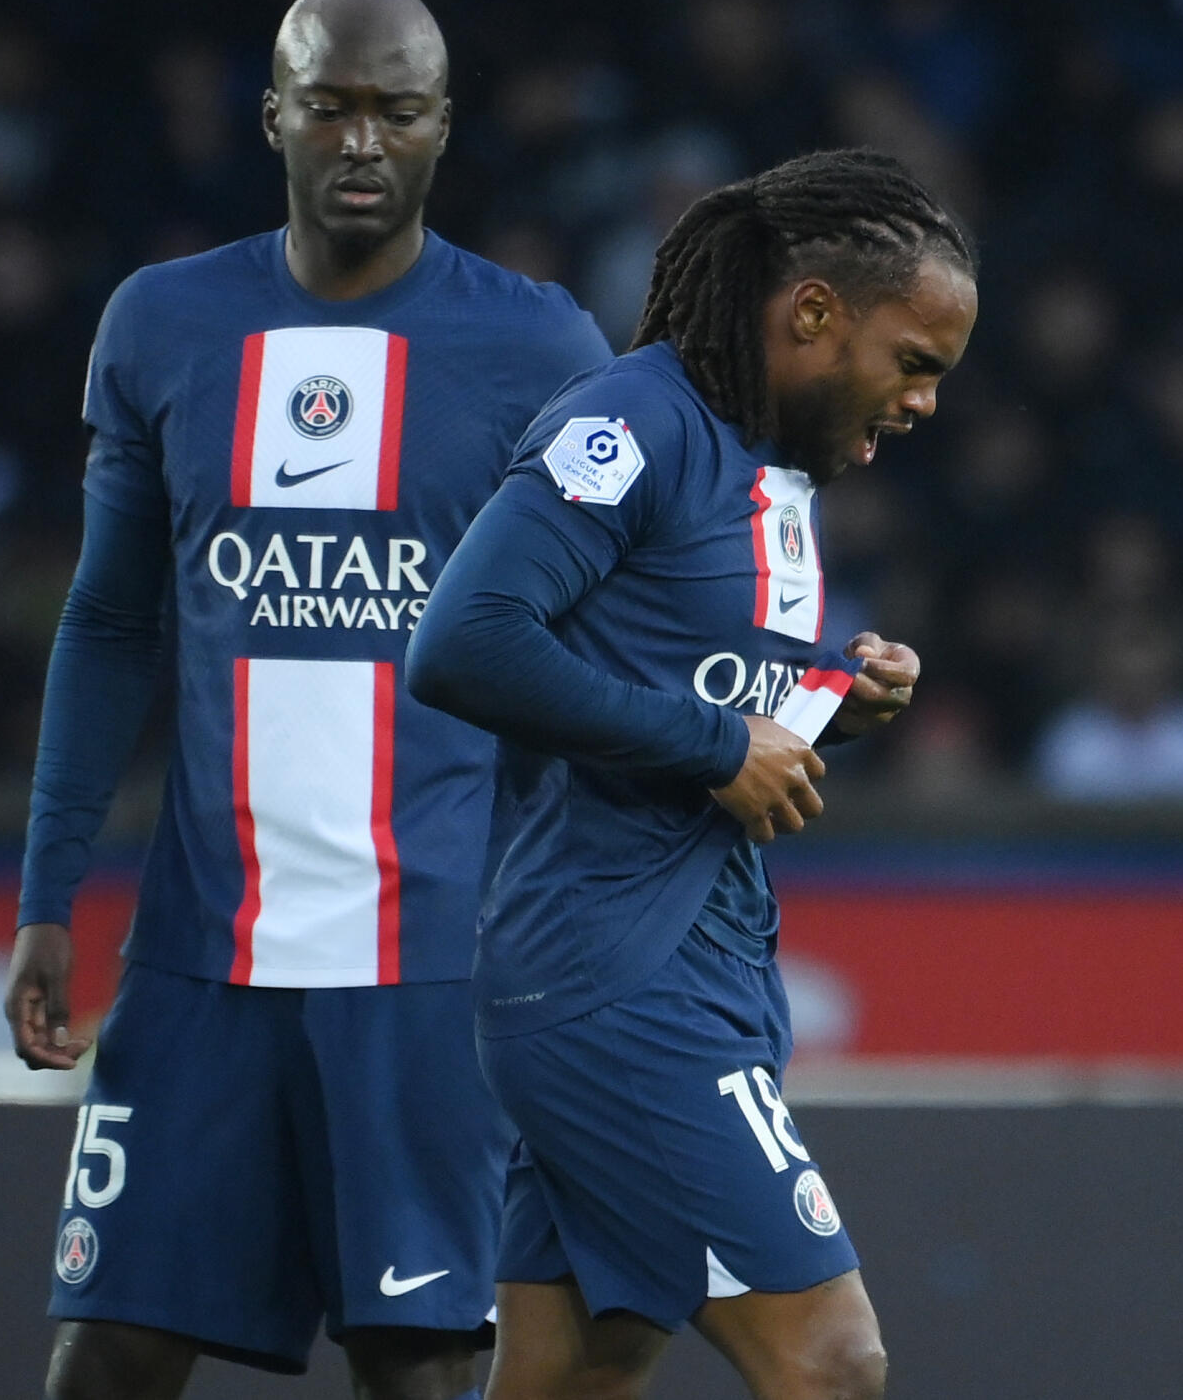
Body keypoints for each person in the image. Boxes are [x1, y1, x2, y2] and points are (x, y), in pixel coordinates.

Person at [3, 0, 609, 1400]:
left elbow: (589, 651)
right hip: (201, 957)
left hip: (429, 970)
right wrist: (45, 893)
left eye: (396, 111)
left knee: (415, 1366)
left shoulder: (541, 350)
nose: (361, 141)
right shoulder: (163, 323)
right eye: (329, 106)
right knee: (106, 1357)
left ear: (443, 125)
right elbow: (109, 624)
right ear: (272, 115)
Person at [406, 149, 977, 1400]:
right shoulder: (633, 423)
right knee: (833, 1364)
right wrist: (722, 747)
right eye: (913, 362)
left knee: (578, 1373)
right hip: (615, 975)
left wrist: (822, 704)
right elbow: (465, 641)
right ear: (813, 313)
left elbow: (669, 681)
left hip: (688, 958)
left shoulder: (763, 460)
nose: (925, 401)